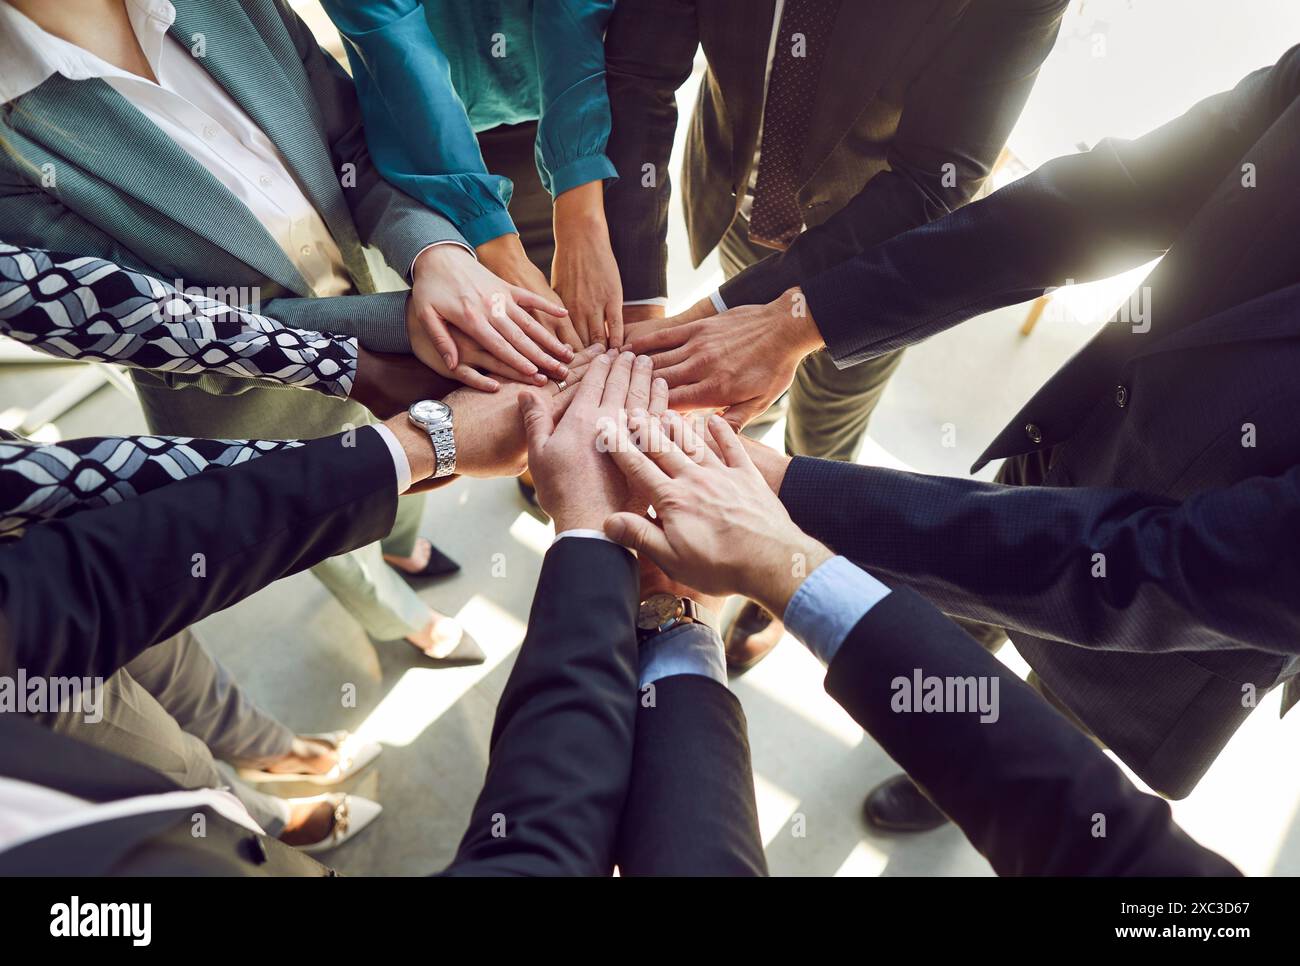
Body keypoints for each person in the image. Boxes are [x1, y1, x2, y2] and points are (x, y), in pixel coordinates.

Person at [629, 44, 1300, 831]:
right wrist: (798, 317)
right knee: (965, 621)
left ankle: (954, 777)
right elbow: (1111, 197)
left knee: (1049, 719)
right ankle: (944, 726)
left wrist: (788, 498)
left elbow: (1176, 570)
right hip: (1089, 441)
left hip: (1185, 613)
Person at [0, 0, 573, 659]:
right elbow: (153, 319)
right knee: (326, 520)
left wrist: (433, 254)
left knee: (417, 463)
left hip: (381, 289)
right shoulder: (13, 145)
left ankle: (404, 545)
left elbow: (354, 142)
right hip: (240, 396)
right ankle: (400, 620)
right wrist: (413, 323)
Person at [603, 0, 1069, 665]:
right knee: (722, 396)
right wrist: (643, 294)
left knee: (823, 432)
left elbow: (934, 181)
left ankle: (776, 577)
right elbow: (639, 74)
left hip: (877, 262)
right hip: (733, 193)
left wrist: (761, 320)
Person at [599, 408, 1241, 875]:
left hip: (1169, 640)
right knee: (963, 638)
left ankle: (946, 781)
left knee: (1065, 704)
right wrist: (788, 510)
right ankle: (941, 772)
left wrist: (777, 561)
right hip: (1076, 475)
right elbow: (1112, 850)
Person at [318, 0, 623, 350]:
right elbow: (395, 43)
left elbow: (573, 13)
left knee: (572, 331)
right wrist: (494, 242)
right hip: (416, 141)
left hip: (571, 118)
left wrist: (582, 218)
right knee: (480, 334)